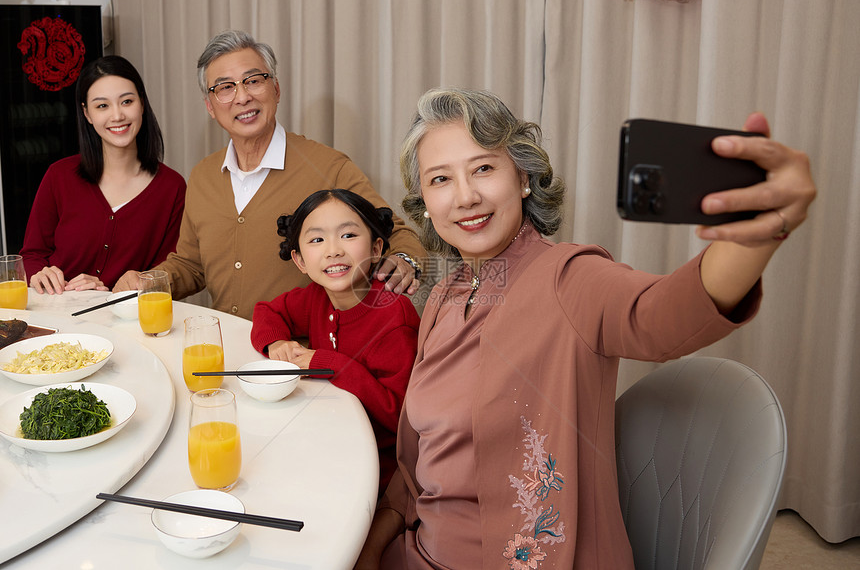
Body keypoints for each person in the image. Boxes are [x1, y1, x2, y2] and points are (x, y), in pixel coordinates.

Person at [356, 88, 816, 569]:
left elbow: (664, 315)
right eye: (440, 179)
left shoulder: (569, 277)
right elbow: (414, 470)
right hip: (417, 550)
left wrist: (755, 234)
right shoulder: (447, 293)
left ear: (524, 177)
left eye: (484, 168)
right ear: (424, 202)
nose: (466, 195)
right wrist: (370, 551)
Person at [113, 30, 425, 319]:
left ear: (275, 89)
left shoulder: (327, 166)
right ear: (210, 106)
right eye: (225, 88)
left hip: (299, 356)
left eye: (253, 81)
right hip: (226, 350)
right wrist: (149, 281)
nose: (242, 97)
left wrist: (405, 260)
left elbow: (395, 232)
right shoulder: (203, 176)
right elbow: (192, 265)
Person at [251, 189, 420, 494]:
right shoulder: (316, 297)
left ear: (376, 247)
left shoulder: (393, 316)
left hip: (376, 467)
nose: (333, 251)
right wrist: (276, 343)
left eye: (348, 235)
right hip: (324, 439)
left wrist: (329, 364)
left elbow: (402, 418)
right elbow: (268, 311)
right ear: (300, 260)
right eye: (317, 240)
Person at [20, 56, 186, 293]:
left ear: (142, 104)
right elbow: (33, 254)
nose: (117, 115)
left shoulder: (172, 188)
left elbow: (163, 275)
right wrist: (40, 275)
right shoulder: (59, 176)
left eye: (127, 101)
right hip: (58, 317)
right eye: (102, 106)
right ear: (87, 114)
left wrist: (113, 291)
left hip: (126, 323)